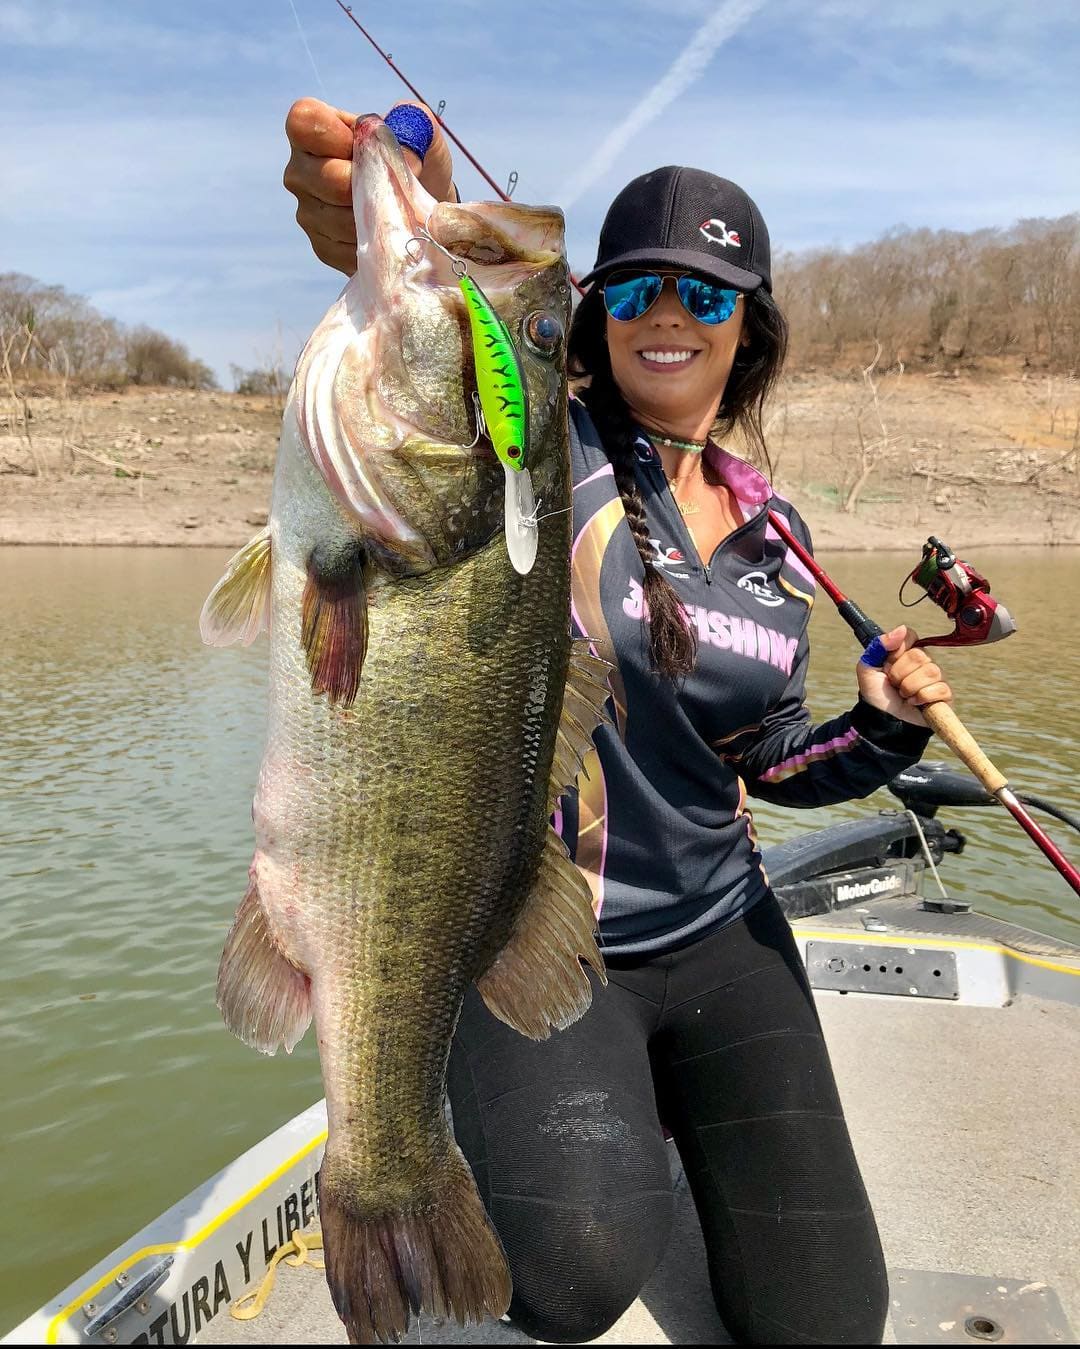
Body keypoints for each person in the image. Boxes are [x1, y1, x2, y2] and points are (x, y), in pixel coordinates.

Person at [283, 97, 954, 1346]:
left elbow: (765, 755)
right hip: (547, 932)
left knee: (828, 1322)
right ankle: (577, 1127)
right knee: (572, 1274)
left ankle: (663, 1132)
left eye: (706, 294)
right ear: (598, 315)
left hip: (723, 929)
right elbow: (448, 358)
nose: (667, 313)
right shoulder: (546, 439)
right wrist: (392, 211)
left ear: (748, 326)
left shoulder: (776, 529)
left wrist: (881, 729)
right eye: (638, 285)